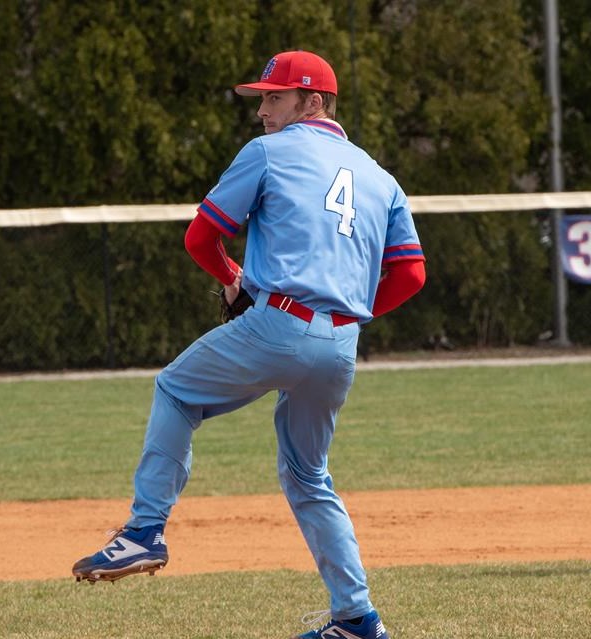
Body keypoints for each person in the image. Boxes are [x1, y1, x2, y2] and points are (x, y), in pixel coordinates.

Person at [71, 50, 425, 639]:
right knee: (310, 478)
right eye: (262, 98)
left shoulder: (269, 152)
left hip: (280, 323)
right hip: (340, 348)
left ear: (313, 103)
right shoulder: (381, 178)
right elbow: (411, 275)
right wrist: (346, 320)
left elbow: (201, 237)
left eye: (274, 97)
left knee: (176, 392)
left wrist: (234, 280)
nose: (262, 110)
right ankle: (357, 619)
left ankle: (142, 533)